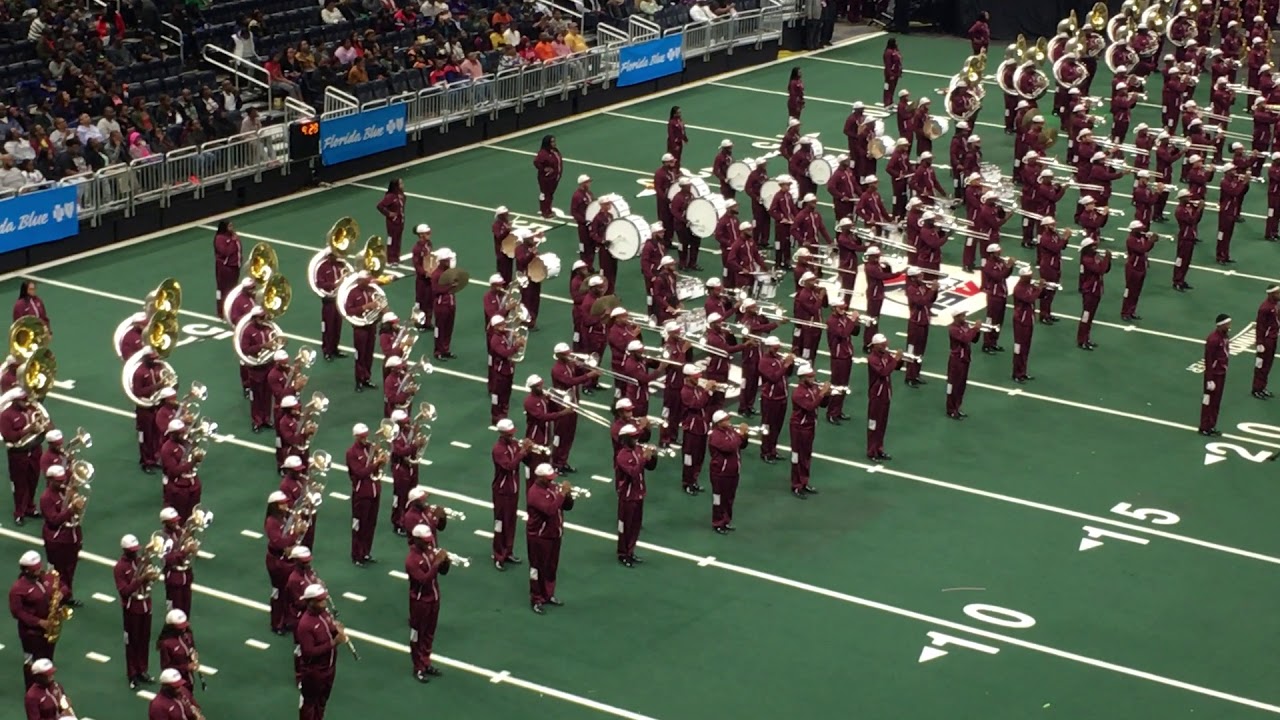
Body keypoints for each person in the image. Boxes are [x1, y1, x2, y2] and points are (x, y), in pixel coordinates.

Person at [526, 463, 574, 614]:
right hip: (539, 537)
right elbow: (550, 510)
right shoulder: (534, 493)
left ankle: (548, 594)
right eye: (548, 478)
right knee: (537, 568)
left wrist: (568, 495)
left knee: (551, 567)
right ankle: (536, 599)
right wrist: (562, 494)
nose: (551, 480)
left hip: (554, 534)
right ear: (540, 478)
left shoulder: (552, 487)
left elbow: (567, 507)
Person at [10, 551, 61, 687]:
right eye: (35, 569)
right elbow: (17, 612)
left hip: (48, 628)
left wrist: (61, 594)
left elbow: (62, 587)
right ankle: (31, 689)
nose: (39, 570)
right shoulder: (18, 589)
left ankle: (46, 684)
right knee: (32, 663)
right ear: (26, 570)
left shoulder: (45, 577)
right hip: (31, 634)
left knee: (47, 659)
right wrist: (39, 622)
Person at [295, 583, 346, 720]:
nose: (324, 602)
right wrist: (334, 643)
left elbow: (331, 629)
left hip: (329, 668)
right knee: (309, 704)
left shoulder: (324, 613)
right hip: (314, 672)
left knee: (322, 702)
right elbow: (309, 652)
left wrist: (336, 629)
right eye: (320, 600)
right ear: (310, 602)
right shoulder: (305, 625)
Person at [407, 523, 450, 682]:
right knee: (417, 635)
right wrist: (436, 563)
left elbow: (443, 572)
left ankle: (425, 662)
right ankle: (418, 667)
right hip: (419, 602)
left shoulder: (430, 551)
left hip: (433, 598)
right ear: (417, 540)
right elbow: (423, 580)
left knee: (429, 634)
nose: (428, 543)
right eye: (425, 541)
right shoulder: (411, 560)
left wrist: (445, 561)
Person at [115, 534, 156, 689]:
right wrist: (141, 579)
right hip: (131, 608)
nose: (135, 552)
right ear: (125, 550)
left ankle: (142, 670)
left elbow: (149, 578)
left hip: (145, 604)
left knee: (144, 640)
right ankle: (132, 674)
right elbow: (124, 591)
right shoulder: (120, 567)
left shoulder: (140, 561)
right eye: (132, 550)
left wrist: (151, 577)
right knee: (132, 642)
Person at [38, 465, 82, 606]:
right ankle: (54, 599)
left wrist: (79, 539)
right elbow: (54, 520)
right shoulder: (46, 498)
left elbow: (75, 519)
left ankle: (67, 596)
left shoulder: (66, 491)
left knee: (70, 570)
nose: (63, 482)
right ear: (50, 480)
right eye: (58, 480)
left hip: (71, 537)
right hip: (56, 540)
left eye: (63, 479)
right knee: (57, 572)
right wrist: (71, 509)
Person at [614, 424, 657, 567]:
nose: (637, 439)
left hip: (638, 493)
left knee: (635, 526)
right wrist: (644, 458)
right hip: (627, 496)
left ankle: (630, 551)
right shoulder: (622, 456)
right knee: (625, 526)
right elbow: (633, 472)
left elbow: (650, 467)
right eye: (633, 437)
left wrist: (653, 456)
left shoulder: (638, 449)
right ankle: (622, 553)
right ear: (626, 439)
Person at [491, 419, 531, 570]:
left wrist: (529, 450)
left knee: (511, 522)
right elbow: (509, 466)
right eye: (509, 434)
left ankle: (508, 551)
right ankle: (498, 555)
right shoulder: (498, 449)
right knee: (500, 523)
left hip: (513, 489)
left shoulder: (514, 444)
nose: (512, 436)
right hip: (502, 491)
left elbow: (525, 460)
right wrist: (522, 452)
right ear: (502, 433)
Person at [265, 490, 302, 635]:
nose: (286, 506)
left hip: (286, 559)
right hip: (276, 561)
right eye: (282, 504)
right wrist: (296, 533)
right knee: (279, 592)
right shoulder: (271, 522)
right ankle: (277, 623)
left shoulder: (284, 517)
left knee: (288, 591)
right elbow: (279, 542)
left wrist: (298, 523)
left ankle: (287, 619)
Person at [789, 364, 829, 498]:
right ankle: (796, 485)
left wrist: (827, 395)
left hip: (809, 426)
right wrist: (822, 394)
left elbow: (822, 405)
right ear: (802, 378)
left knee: (806, 455)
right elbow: (810, 407)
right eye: (810, 376)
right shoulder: (798, 393)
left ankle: (804, 481)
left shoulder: (813, 388)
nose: (813, 378)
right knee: (797, 456)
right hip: (799, 428)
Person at [346, 423, 383, 566]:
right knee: (359, 526)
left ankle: (366, 552)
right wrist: (376, 463)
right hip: (361, 493)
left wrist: (381, 459)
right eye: (362, 437)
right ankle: (357, 555)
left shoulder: (370, 448)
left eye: (366, 436)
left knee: (370, 524)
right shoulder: (351, 453)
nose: (365, 439)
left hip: (374, 491)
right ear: (355, 436)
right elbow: (360, 473)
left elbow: (376, 468)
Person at [866, 333, 903, 461]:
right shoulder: (872, 359)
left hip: (885, 394)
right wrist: (895, 360)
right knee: (874, 424)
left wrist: (899, 360)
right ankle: (871, 451)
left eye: (885, 344)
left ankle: (879, 449)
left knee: (882, 424)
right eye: (882, 345)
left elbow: (896, 367)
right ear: (875, 346)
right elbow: (883, 372)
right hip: (876, 395)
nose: (885, 346)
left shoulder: (885, 355)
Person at [342, 274, 381, 390]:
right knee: (360, 355)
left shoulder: (372, 290)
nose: (368, 282)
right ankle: (359, 380)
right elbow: (349, 310)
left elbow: (381, 303)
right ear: (359, 281)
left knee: (369, 354)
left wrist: (377, 307)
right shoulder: (353, 293)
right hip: (360, 328)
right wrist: (365, 307)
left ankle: (366, 378)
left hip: (371, 326)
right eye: (365, 280)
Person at [679, 364, 712, 496]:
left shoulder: (698, 389)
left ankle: (694, 480)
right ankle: (687, 483)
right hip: (692, 430)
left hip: (702, 428)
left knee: (699, 457)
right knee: (689, 458)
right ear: (688, 377)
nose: (698, 379)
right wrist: (707, 391)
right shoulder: (685, 391)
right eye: (695, 377)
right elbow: (697, 404)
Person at [1077, 238, 1113, 350]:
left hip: (1095, 290)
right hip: (1089, 292)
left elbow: (1104, 269)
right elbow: (1100, 270)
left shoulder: (1094, 257)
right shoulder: (1087, 259)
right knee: (1086, 316)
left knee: (1090, 317)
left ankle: (1086, 338)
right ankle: (1082, 340)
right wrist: (1107, 258)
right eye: (1092, 246)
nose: (1095, 247)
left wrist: (1108, 260)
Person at [1201, 314, 1232, 436]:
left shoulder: (1224, 336)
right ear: (1221, 325)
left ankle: (1211, 425)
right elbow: (1208, 359)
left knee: (1216, 402)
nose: (1229, 326)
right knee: (1209, 401)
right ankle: (1205, 426)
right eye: (1227, 324)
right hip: (1214, 375)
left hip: (1221, 372)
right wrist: (1209, 379)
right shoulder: (1213, 339)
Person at [160, 507, 195, 616]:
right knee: (175, 612)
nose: (176, 523)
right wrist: (184, 552)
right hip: (174, 577)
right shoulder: (162, 539)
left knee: (186, 609)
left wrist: (192, 548)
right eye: (173, 521)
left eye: (176, 520)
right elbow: (167, 559)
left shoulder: (180, 532)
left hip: (186, 575)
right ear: (165, 522)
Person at [1011, 269, 1043, 383]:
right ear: (1023, 277)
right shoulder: (1019, 288)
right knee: (1019, 348)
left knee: (1026, 348)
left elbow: (1039, 295)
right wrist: (1039, 288)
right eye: (1029, 275)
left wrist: (1042, 288)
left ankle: (1022, 371)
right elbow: (1030, 298)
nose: (1031, 276)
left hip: (1028, 320)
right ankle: (1016, 373)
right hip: (1021, 321)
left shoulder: (1028, 286)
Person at [156, 609, 198, 691]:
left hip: (189, 680)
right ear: (172, 627)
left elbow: (192, 648)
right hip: (175, 684)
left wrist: (194, 655)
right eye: (181, 627)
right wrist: (186, 667)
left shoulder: (188, 635)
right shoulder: (166, 644)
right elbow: (166, 668)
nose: (184, 629)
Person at [431, 249, 459, 360]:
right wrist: (450, 286)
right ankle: (438, 351)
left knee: (448, 328)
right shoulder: (436, 274)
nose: (449, 262)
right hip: (441, 304)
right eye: (446, 260)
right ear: (441, 261)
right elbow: (435, 290)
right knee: (440, 328)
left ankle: (445, 349)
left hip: (451, 303)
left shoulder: (449, 273)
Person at [1254, 286, 1279, 399]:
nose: (1279, 295)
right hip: (1266, 341)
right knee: (1261, 365)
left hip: (1273, 338)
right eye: (1277, 293)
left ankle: (1262, 387)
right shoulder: (1265, 308)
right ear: (1271, 294)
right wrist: (1259, 343)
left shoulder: (1276, 305)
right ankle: (1256, 389)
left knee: (1268, 364)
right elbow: (1260, 326)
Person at [212, 220, 241, 315]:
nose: (232, 228)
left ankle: (231, 309)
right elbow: (225, 252)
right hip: (224, 269)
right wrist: (232, 241)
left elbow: (238, 249)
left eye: (232, 226)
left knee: (233, 289)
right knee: (222, 290)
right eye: (229, 226)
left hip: (235, 267)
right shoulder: (219, 238)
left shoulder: (233, 236)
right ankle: (221, 310)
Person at [377, 178, 407, 265]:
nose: (403, 185)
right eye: (400, 184)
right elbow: (380, 206)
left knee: (398, 240)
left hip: (400, 221)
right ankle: (390, 259)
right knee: (391, 240)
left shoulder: (401, 195)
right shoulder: (390, 196)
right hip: (392, 223)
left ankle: (396, 258)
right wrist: (388, 213)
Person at [533, 135, 563, 218]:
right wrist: (544, 169)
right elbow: (536, 162)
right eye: (552, 142)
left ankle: (548, 209)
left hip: (555, 177)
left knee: (550, 194)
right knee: (546, 194)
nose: (554, 143)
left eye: (554, 141)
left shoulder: (554, 151)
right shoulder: (543, 153)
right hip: (546, 178)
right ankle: (545, 211)